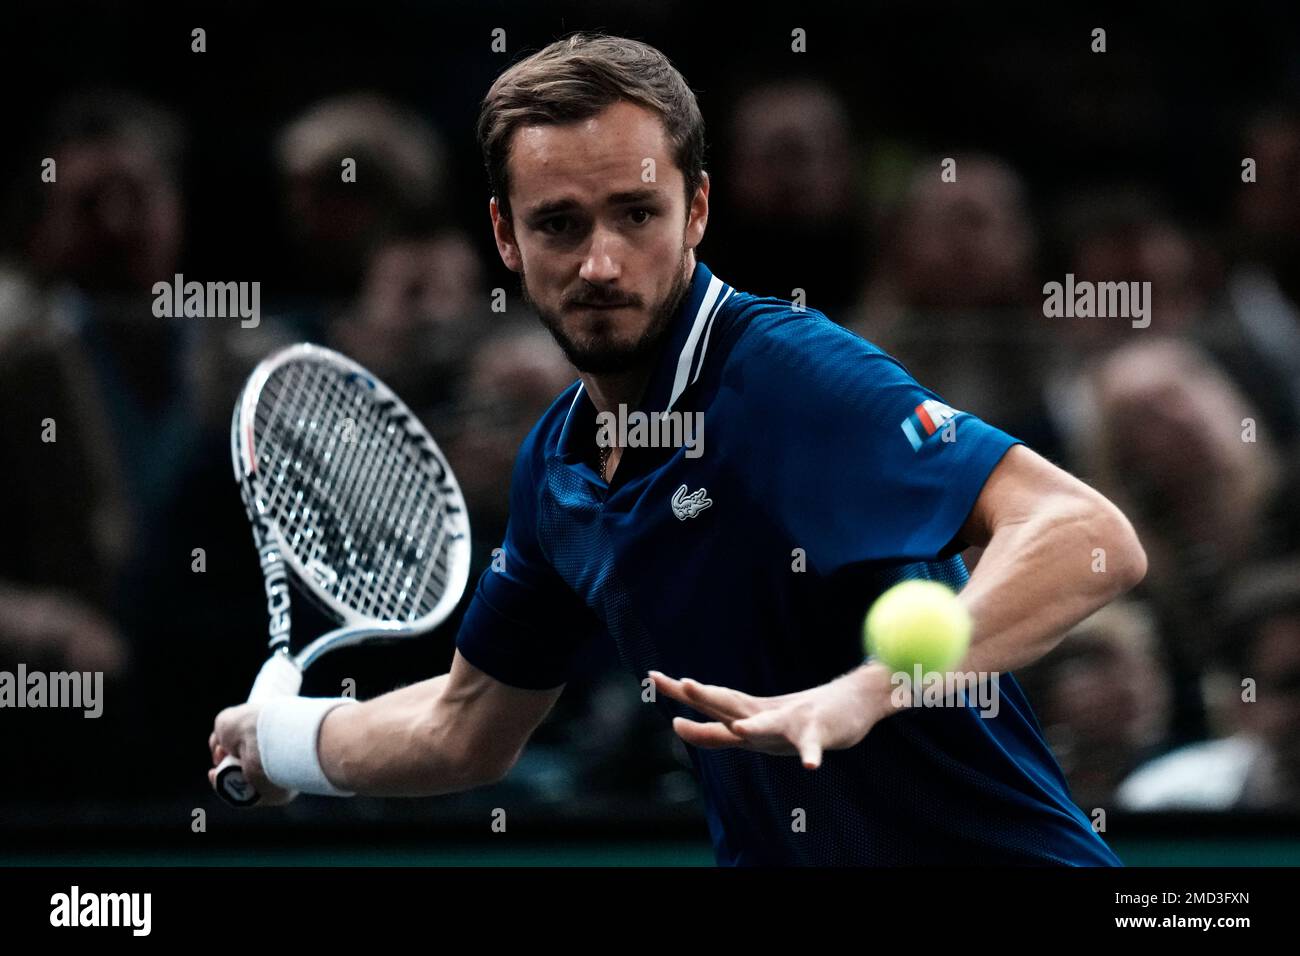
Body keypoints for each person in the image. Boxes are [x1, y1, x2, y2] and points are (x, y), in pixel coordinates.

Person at [210, 33, 1147, 865]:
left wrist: (863, 694)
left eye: (637, 214)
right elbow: (464, 728)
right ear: (505, 234)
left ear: (696, 212)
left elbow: (1082, 530)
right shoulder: (556, 469)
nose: (602, 263)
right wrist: (291, 744)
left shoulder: (783, 376)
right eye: (560, 224)